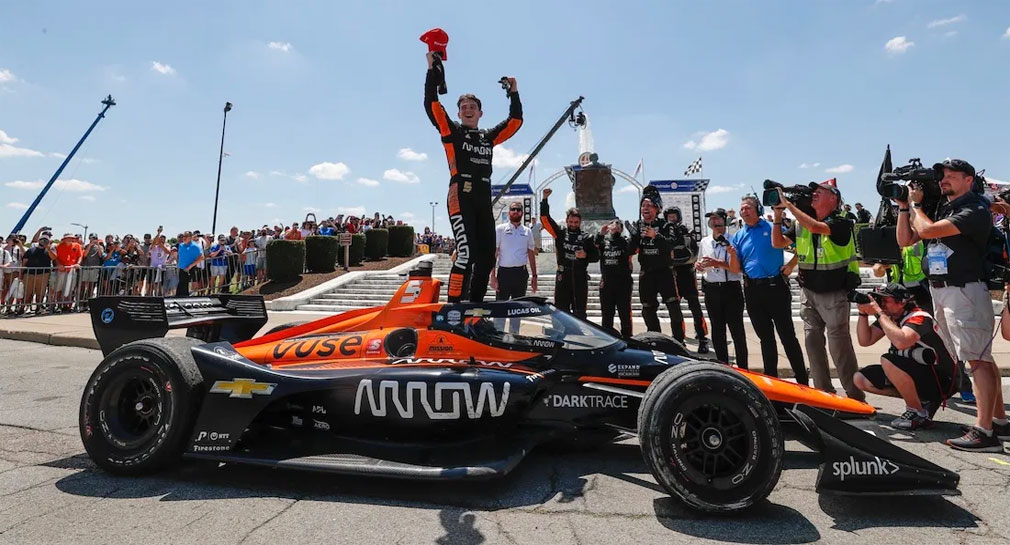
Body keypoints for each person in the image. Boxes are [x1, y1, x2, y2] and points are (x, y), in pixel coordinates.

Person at [897, 158, 1005, 451]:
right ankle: (998, 421)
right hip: (943, 290)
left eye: (951, 176)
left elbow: (928, 232)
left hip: (964, 289)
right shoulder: (945, 208)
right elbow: (906, 239)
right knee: (979, 356)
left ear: (969, 180)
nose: (943, 180)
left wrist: (916, 205)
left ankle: (984, 432)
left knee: (977, 359)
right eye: (942, 176)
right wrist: (905, 207)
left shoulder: (974, 209)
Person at [424, 51, 522, 303]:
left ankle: (476, 305)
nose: (468, 110)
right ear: (458, 113)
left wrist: (513, 92)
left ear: (480, 113)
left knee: (487, 258)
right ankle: (454, 305)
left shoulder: (488, 137)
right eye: (464, 108)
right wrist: (432, 71)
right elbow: (432, 106)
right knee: (466, 254)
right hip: (460, 194)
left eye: (473, 107)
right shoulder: (453, 131)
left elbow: (515, 122)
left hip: (483, 197)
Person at [773, 179, 861, 399]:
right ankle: (823, 395)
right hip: (809, 292)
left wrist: (788, 205)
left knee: (839, 348)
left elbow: (816, 228)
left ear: (833, 198)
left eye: (820, 191)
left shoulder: (842, 222)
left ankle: (855, 397)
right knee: (812, 344)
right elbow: (778, 243)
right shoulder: (801, 224)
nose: (814, 194)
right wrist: (777, 215)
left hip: (835, 293)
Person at [853, 283, 957, 430]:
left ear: (902, 302)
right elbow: (865, 340)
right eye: (878, 300)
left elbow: (902, 342)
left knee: (888, 360)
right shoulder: (890, 317)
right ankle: (921, 401)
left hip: (943, 379)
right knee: (860, 379)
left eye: (885, 300)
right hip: (920, 373)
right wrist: (863, 314)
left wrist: (878, 312)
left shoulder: (919, 317)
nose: (881, 304)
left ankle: (917, 412)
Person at [730, 195, 807, 382]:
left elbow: (802, 244)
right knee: (765, 338)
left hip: (776, 287)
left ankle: (802, 379)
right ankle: (772, 380)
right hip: (752, 290)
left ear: (758, 209)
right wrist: (731, 256)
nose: (744, 211)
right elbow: (736, 268)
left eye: (748, 207)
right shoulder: (738, 236)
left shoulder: (773, 228)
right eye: (742, 208)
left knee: (787, 336)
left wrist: (791, 265)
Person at [629, 188, 686, 342]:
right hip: (646, 273)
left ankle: (679, 341)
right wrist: (633, 236)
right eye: (643, 205)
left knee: (674, 308)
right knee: (647, 309)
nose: (645, 208)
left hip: (665, 272)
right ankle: (656, 340)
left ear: (657, 208)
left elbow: (672, 244)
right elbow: (630, 250)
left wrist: (656, 236)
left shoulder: (667, 226)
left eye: (649, 205)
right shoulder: (638, 225)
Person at [696, 209, 747, 368]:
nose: (714, 222)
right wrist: (699, 266)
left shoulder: (734, 240)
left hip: (731, 288)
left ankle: (743, 367)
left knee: (737, 330)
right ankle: (722, 366)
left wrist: (717, 263)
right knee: (717, 330)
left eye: (717, 219)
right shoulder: (705, 241)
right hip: (712, 289)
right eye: (711, 219)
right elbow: (701, 263)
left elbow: (738, 269)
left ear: (724, 220)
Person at [540, 188, 598, 318]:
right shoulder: (559, 233)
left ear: (580, 222)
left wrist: (585, 255)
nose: (573, 224)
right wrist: (544, 200)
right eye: (571, 222)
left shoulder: (587, 237)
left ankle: (579, 331)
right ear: (566, 221)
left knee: (580, 312)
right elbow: (545, 219)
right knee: (560, 312)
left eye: (576, 222)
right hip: (563, 277)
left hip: (580, 277)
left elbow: (596, 256)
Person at [665, 206, 709, 353]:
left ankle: (702, 338)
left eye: (674, 216)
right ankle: (679, 339)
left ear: (678, 217)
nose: (672, 219)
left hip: (688, 274)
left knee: (695, 307)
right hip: (673, 274)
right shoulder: (664, 234)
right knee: (675, 310)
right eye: (669, 217)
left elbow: (694, 253)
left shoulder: (687, 231)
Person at [490, 201, 538, 332]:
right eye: (513, 209)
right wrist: (492, 276)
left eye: (518, 209)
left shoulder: (527, 231)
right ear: (509, 212)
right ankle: (498, 335)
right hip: (504, 274)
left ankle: (514, 335)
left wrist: (534, 276)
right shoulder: (500, 229)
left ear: (522, 213)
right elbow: (495, 253)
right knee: (500, 307)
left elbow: (531, 254)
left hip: (520, 274)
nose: (515, 211)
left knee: (517, 309)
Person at [596, 219, 634, 337]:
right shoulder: (604, 242)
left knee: (625, 314)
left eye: (619, 225)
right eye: (613, 223)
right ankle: (607, 338)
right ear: (609, 228)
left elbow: (634, 245)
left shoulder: (625, 242)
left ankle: (628, 338)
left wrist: (631, 230)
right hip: (607, 284)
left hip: (623, 283)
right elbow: (594, 247)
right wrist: (601, 234)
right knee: (607, 314)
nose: (616, 225)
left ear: (621, 229)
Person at [176, 231, 205, 297]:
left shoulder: (195, 246)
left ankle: (181, 297)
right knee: (182, 284)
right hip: (181, 268)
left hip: (189, 268)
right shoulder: (181, 245)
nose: (184, 238)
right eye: (183, 236)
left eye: (186, 236)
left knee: (183, 284)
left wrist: (191, 266)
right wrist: (178, 262)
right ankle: (181, 297)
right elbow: (179, 255)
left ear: (190, 237)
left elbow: (201, 257)